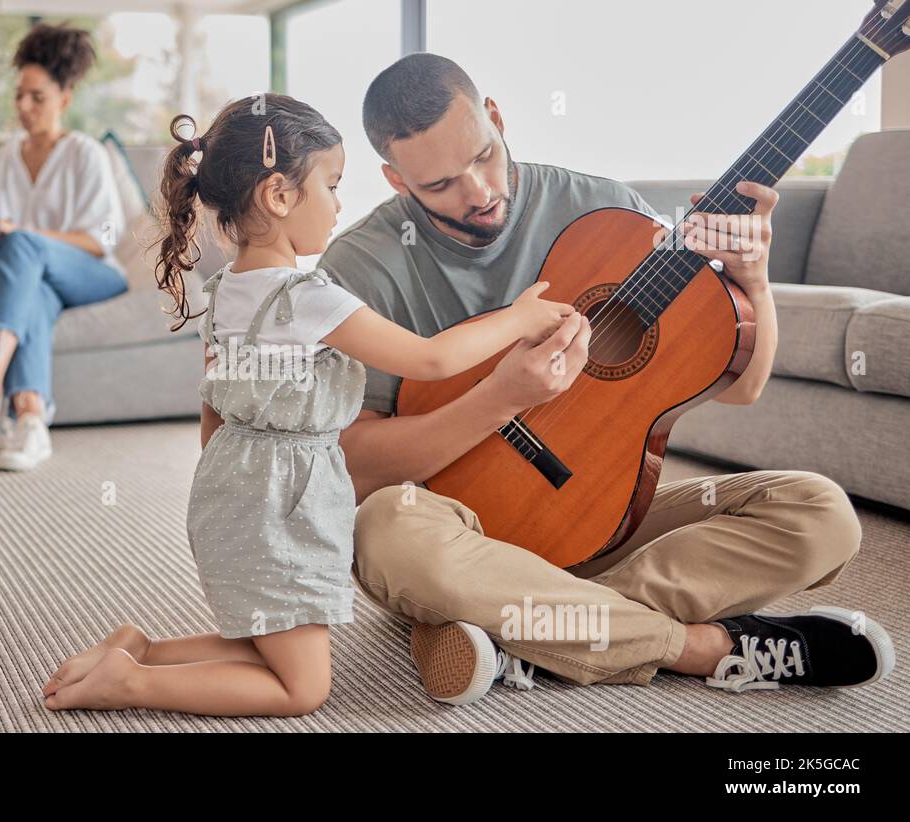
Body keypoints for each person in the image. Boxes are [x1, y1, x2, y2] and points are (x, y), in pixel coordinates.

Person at [316, 53, 893, 702]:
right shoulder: (359, 268)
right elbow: (351, 467)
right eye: (441, 185)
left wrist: (753, 282)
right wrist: (502, 397)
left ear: (497, 119)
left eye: (483, 156)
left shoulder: (605, 212)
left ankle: (526, 634)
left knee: (820, 513)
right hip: (455, 534)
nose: (478, 193)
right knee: (384, 531)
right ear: (397, 181)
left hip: (602, 521)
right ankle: (703, 648)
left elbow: (742, 386)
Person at [39, 95, 572, 716]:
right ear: (279, 196)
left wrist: (226, 491)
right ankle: (132, 682)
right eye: (333, 184)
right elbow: (430, 359)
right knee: (301, 688)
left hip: (229, 496)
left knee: (273, 649)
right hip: (281, 506)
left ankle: (142, 652)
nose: (341, 203)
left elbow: (213, 406)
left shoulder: (226, 290)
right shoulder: (308, 299)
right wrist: (517, 318)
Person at [0, 23, 128, 470]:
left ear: (65, 100)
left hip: (93, 273)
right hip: (34, 279)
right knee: (30, 289)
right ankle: (31, 424)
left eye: (37, 97)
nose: (24, 106)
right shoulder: (0, 158)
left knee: (23, 243)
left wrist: (25, 237)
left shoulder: (85, 153)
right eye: (19, 95)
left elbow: (101, 240)